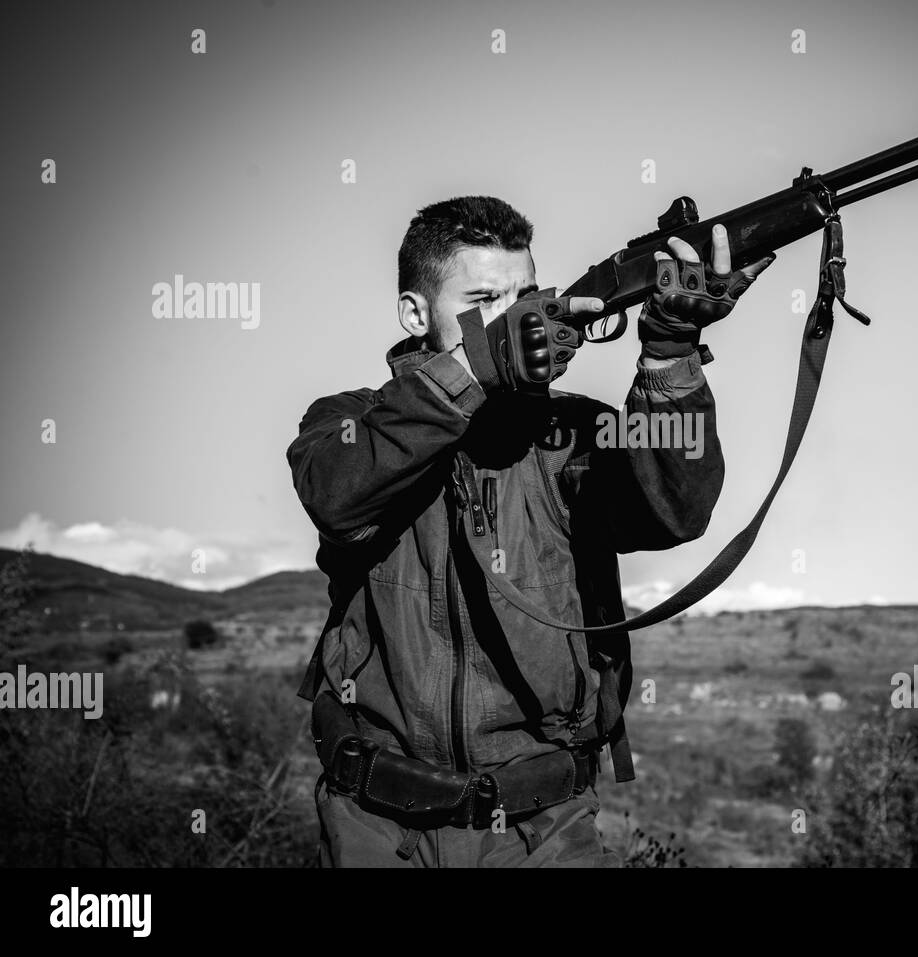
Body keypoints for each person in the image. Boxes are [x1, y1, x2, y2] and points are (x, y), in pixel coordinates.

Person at [286, 195, 773, 867]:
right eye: (485, 299)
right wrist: (475, 372)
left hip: (542, 831)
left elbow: (674, 511)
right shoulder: (349, 420)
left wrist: (670, 355)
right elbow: (337, 496)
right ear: (415, 312)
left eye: (524, 294)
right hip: (374, 824)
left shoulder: (569, 431)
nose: (515, 316)